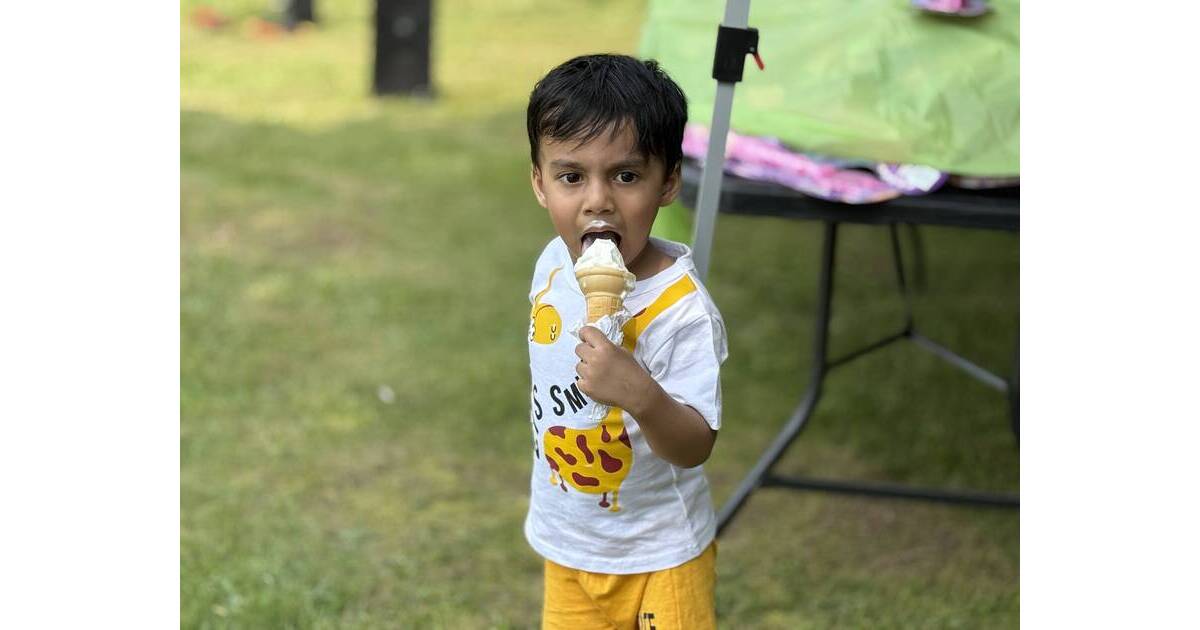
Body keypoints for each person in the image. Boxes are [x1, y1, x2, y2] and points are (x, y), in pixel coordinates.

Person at [524, 54, 728, 629]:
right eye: (571, 177)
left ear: (668, 183)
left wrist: (641, 394)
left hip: (661, 551)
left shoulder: (682, 310)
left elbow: (695, 446)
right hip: (568, 537)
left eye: (626, 175)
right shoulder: (552, 266)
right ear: (540, 183)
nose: (598, 201)